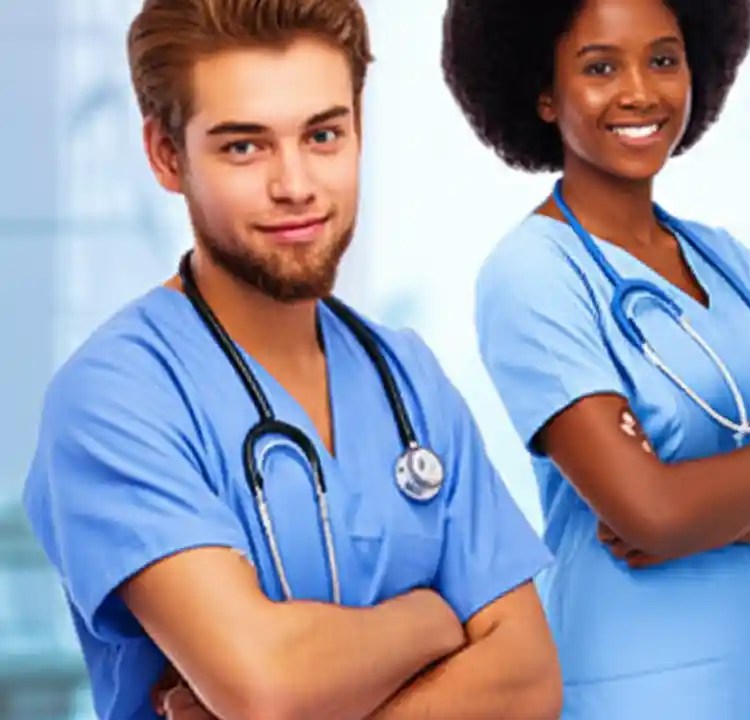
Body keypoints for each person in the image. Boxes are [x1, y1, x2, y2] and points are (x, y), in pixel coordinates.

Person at [21, 1, 561, 719]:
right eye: (244, 146)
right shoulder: (116, 397)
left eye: (323, 135)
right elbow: (267, 687)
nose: (296, 185)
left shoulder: (408, 379)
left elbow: (528, 681)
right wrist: (432, 620)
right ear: (166, 156)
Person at [442, 0, 750, 717]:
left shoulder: (729, 264)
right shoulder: (533, 273)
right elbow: (649, 513)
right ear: (543, 94)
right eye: (600, 67)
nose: (640, 91)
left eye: (664, 59)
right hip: (632, 681)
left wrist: (699, 520)